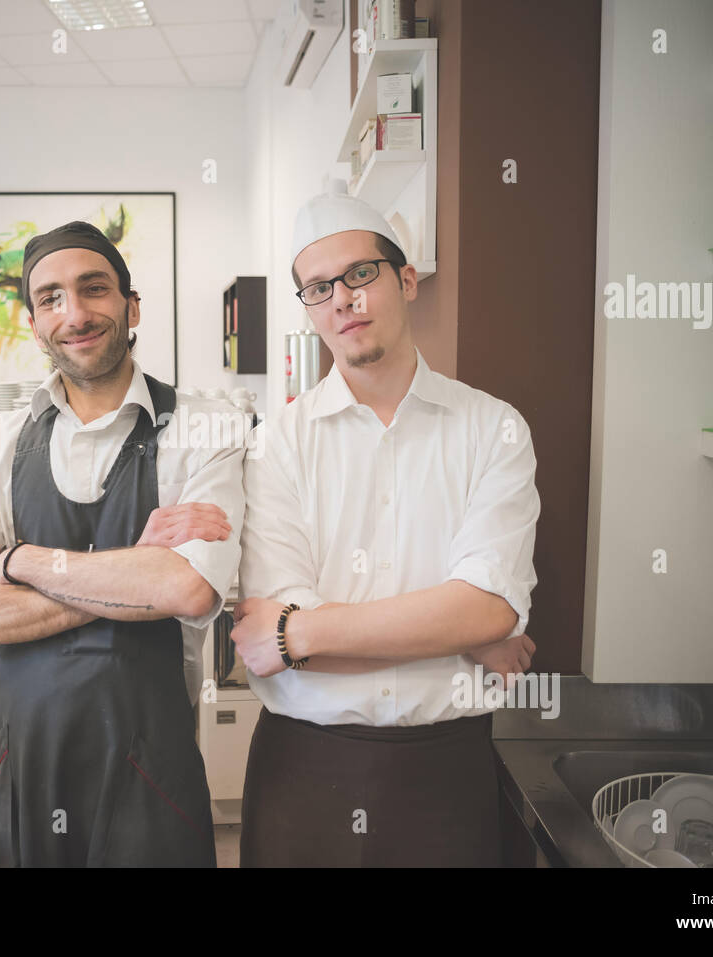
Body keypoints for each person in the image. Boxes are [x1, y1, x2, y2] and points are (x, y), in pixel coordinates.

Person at [232, 185, 540, 867]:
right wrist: (463, 633)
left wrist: (299, 631)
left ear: (406, 281)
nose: (341, 298)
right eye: (317, 288)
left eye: (359, 274)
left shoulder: (494, 429)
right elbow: (477, 616)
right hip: (304, 769)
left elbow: (487, 604)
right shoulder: (276, 443)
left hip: (447, 776)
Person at [0, 220, 247, 867]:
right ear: (33, 322)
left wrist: (18, 563)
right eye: (50, 297)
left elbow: (186, 588)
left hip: (149, 766)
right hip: (15, 760)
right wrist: (136, 564)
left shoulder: (202, 427)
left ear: (132, 306)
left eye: (93, 289)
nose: (74, 314)